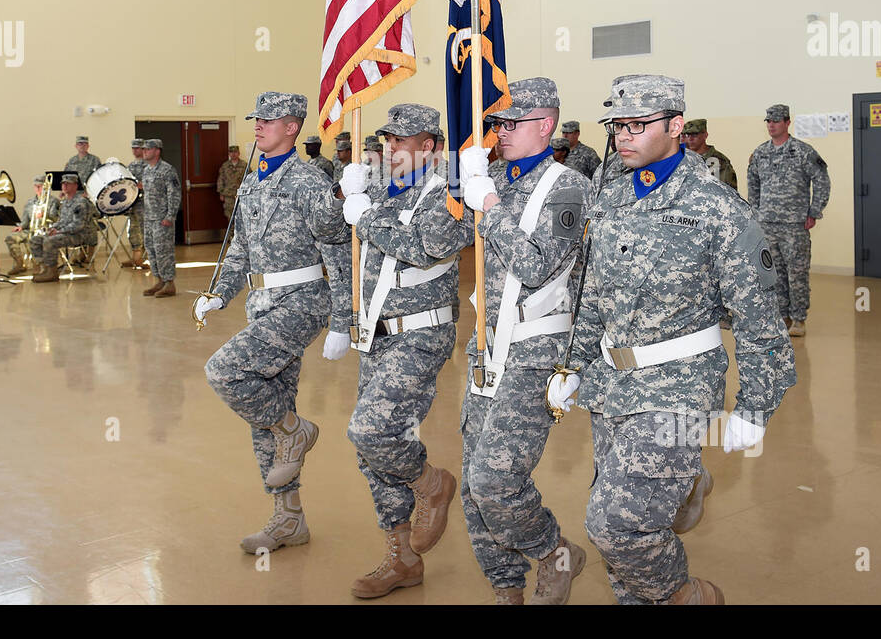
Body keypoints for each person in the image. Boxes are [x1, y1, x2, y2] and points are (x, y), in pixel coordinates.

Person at [559, 75, 796, 605]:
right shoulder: (611, 193)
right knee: (626, 543)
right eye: (618, 126)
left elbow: (759, 317)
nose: (625, 136)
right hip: (611, 385)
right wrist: (571, 366)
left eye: (639, 125)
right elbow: (592, 291)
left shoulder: (716, 206)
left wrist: (754, 407)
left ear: (675, 126)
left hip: (679, 387)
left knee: (614, 525)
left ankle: (685, 595)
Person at [197, 92, 352, 555]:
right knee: (264, 414)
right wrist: (218, 293)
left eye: (269, 120)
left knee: (224, 371)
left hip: (302, 301)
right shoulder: (251, 180)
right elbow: (239, 247)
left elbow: (337, 251)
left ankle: (293, 430)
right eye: (256, 119)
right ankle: (288, 519)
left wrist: (343, 320)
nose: (258, 126)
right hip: (261, 301)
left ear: (292, 127)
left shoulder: (307, 182)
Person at [457, 77, 593, 605]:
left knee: (496, 480)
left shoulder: (567, 186)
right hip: (486, 348)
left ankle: (554, 552)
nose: (501, 133)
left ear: (546, 125)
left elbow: (536, 265)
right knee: (473, 485)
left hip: (535, 351)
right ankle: (505, 588)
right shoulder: (492, 176)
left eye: (511, 124)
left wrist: (488, 206)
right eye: (497, 123)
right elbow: (442, 239)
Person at [338, 104, 472, 598]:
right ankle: (402, 558)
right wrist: (348, 191)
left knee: (372, 429)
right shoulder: (375, 187)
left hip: (421, 333)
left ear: (431, 146)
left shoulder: (451, 192)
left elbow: (422, 246)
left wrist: (363, 212)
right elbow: (343, 234)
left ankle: (431, 483)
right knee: (371, 452)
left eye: (402, 140)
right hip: (375, 330)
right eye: (387, 139)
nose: (390, 148)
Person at [746, 104, 831, 336]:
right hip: (767, 224)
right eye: (768, 121)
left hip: (795, 225)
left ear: (787, 122)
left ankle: (799, 319)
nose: (771, 124)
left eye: (776, 120)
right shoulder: (761, 152)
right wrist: (755, 212)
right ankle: (781, 315)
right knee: (774, 273)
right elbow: (753, 183)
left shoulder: (803, 151)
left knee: (797, 273)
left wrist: (814, 211)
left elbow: (822, 180)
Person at [30, 174, 95, 282]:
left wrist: (59, 231)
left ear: (75, 186)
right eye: (63, 183)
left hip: (79, 235)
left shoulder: (81, 203)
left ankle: (52, 273)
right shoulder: (65, 202)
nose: (64, 186)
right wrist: (52, 228)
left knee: (50, 241)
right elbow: (61, 221)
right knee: (35, 240)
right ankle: (45, 268)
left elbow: (78, 225)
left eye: (67, 183)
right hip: (65, 233)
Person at [140, 138, 182, 299]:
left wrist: (170, 216)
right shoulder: (146, 170)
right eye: (143, 149)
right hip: (149, 218)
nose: (144, 152)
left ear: (157, 151)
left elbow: (174, 193)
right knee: (151, 250)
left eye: (147, 149)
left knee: (164, 251)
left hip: (162, 219)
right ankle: (159, 280)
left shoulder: (167, 170)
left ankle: (169, 283)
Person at [5, 175, 59, 275]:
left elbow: (56, 219)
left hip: (45, 230)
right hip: (31, 229)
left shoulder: (53, 201)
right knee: (10, 238)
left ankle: (39, 265)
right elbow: (25, 221)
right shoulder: (30, 202)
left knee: (34, 239)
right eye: (36, 186)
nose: (38, 188)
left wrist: (44, 215)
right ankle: (19, 263)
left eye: (40, 186)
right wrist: (21, 226)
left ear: (46, 188)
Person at [682, 119, 738, 190]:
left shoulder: (720, 161)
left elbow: (730, 191)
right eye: (687, 135)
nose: (690, 138)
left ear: (705, 135)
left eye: (695, 134)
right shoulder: (682, 159)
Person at [121, 139, 147, 269]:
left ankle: (148, 259)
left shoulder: (148, 165)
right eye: (133, 148)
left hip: (145, 203)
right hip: (132, 202)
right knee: (132, 230)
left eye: (138, 148)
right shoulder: (130, 166)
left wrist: (143, 185)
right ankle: (136, 259)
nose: (135, 150)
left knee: (145, 230)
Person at [216, 144, 244, 228]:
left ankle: (240, 239)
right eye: (231, 152)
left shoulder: (244, 165)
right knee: (230, 218)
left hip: (241, 195)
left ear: (238, 153)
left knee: (241, 217)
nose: (233, 154)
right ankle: (231, 238)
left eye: (235, 152)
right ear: (229, 154)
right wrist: (221, 193)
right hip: (228, 196)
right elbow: (221, 179)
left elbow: (249, 179)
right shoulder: (225, 166)